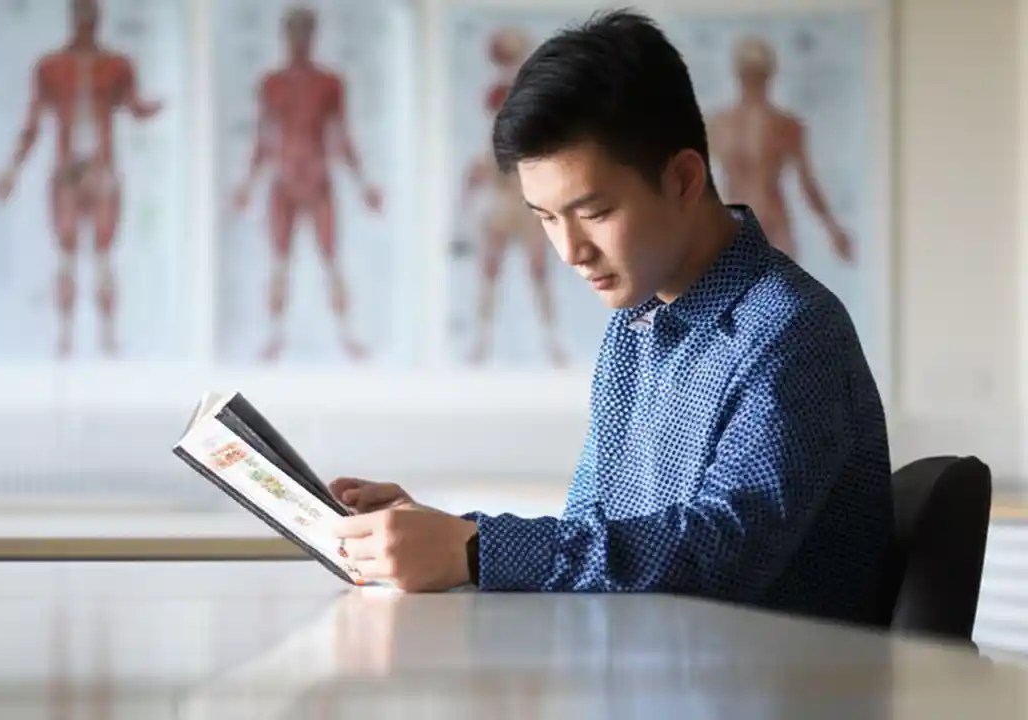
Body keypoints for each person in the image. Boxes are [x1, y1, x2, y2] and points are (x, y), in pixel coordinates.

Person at [328, 10, 891, 626]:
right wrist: (443, 538)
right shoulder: (634, 329)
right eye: (545, 218)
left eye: (592, 212)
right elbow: (590, 540)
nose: (569, 252)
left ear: (681, 179)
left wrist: (476, 549)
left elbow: (722, 555)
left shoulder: (792, 332)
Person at [0, 0, 162, 358]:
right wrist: (12, 170)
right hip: (67, 172)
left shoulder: (116, 67)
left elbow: (135, 107)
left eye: (91, 14)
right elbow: (33, 123)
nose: (86, 21)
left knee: (103, 257)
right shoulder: (52, 68)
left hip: (102, 170)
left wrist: (168, 102)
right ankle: (66, 337)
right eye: (80, 14)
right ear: (72, 17)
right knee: (67, 257)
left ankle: (107, 337)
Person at [231, 6, 383, 363]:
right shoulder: (272, 84)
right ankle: (273, 336)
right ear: (285, 35)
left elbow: (342, 136)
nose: (300, 38)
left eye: (305, 31)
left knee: (331, 259)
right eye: (294, 31)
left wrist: (363, 186)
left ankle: (347, 335)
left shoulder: (329, 84)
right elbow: (263, 140)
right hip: (284, 180)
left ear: (313, 35)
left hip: (317, 178)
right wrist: (247, 186)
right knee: (280, 261)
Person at [460, 26, 567, 367]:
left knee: (537, 271)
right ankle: (480, 340)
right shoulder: (499, 97)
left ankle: (552, 342)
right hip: (505, 195)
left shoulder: (539, 102)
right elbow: (491, 149)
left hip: (528, 198)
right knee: (491, 268)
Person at [707, 36, 852, 263]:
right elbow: (808, 185)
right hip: (749, 226)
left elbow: (807, 184)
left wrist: (832, 228)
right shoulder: (725, 124)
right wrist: (832, 228)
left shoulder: (726, 124)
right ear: (770, 73)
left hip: (753, 226)